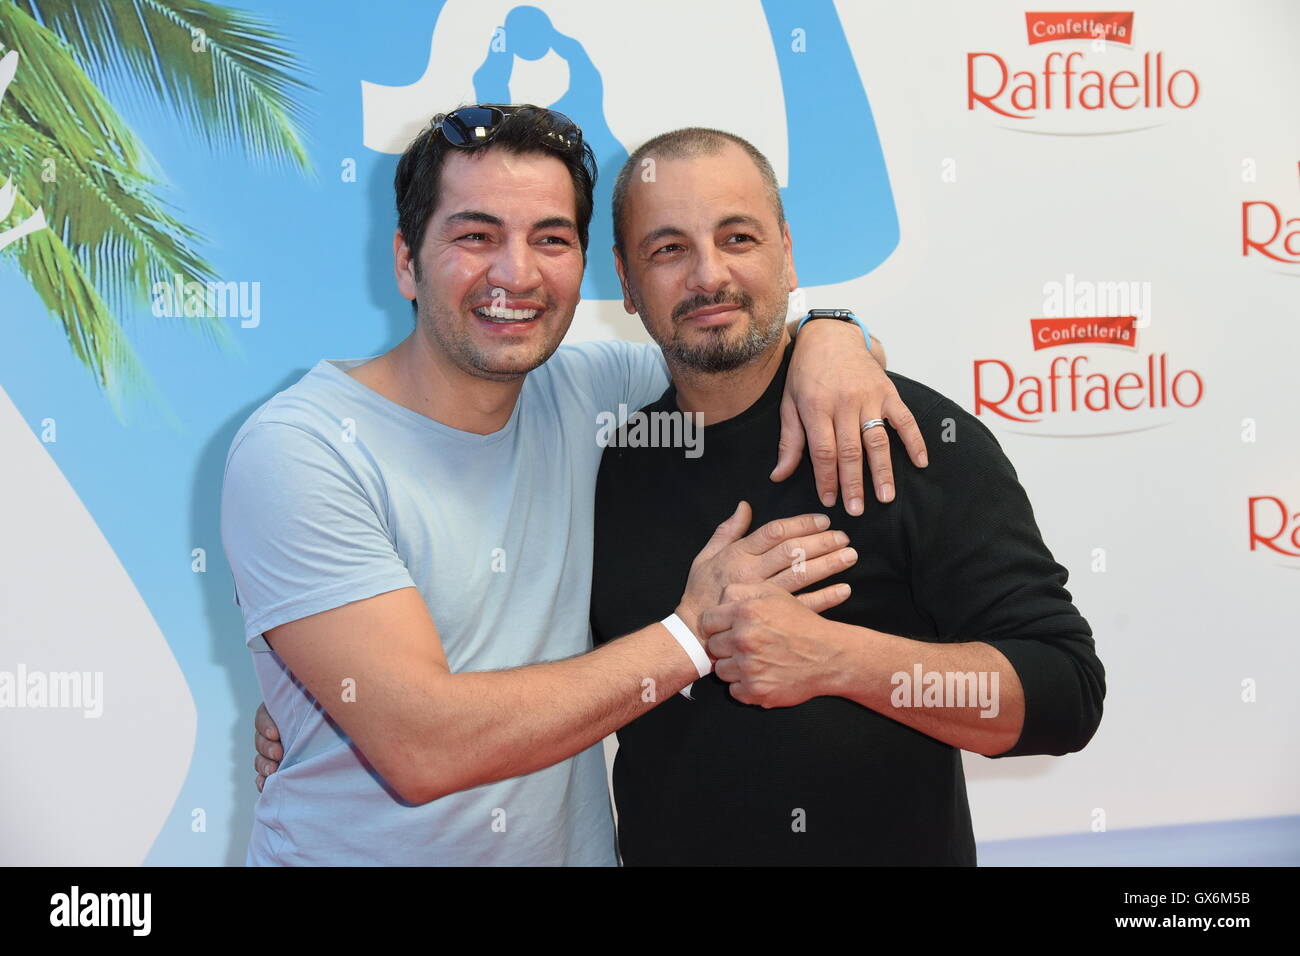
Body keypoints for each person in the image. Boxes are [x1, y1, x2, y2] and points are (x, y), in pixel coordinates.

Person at [223, 104, 928, 865]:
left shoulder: (594, 395)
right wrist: (692, 635)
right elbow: (422, 748)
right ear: (405, 261)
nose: (515, 274)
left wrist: (834, 332)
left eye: (549, 239)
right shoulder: (302, 449)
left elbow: (738, 352)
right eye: (476, 235)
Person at [585, 127, 1106, 865]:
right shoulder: (609, 465)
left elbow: (1064, 696)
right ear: (627, 284)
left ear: (788, 254)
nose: (708, 274)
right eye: (668, 249)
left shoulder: (903, 431)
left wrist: (837, 661)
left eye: (738, 237)